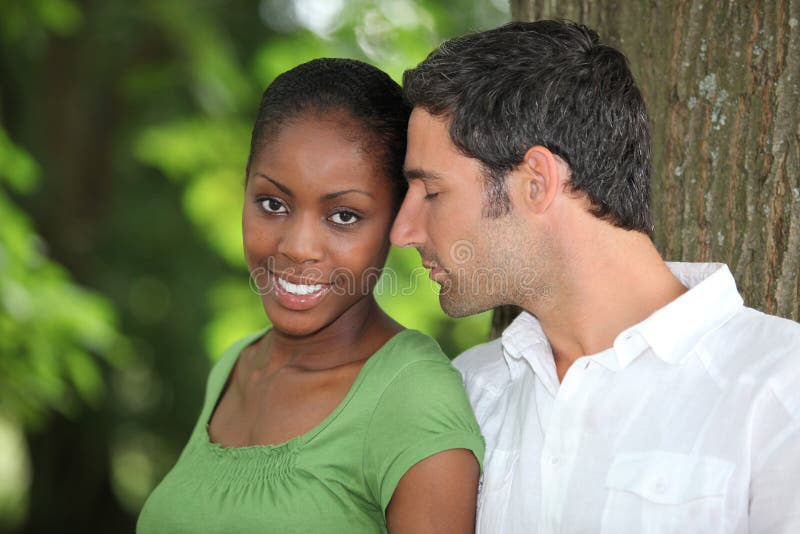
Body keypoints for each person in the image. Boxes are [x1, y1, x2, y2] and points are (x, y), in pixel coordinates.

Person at [390, 20, 800, 533]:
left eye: (431, 192)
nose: (402, 231)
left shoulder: (782, 388)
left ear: (536, 182)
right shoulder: (470, 392)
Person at [137, 58, 484, 534]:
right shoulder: (236, 366)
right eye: (273, 204)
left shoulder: (411, 398)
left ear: (397, 221)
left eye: (343, 216)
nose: (298, 247)